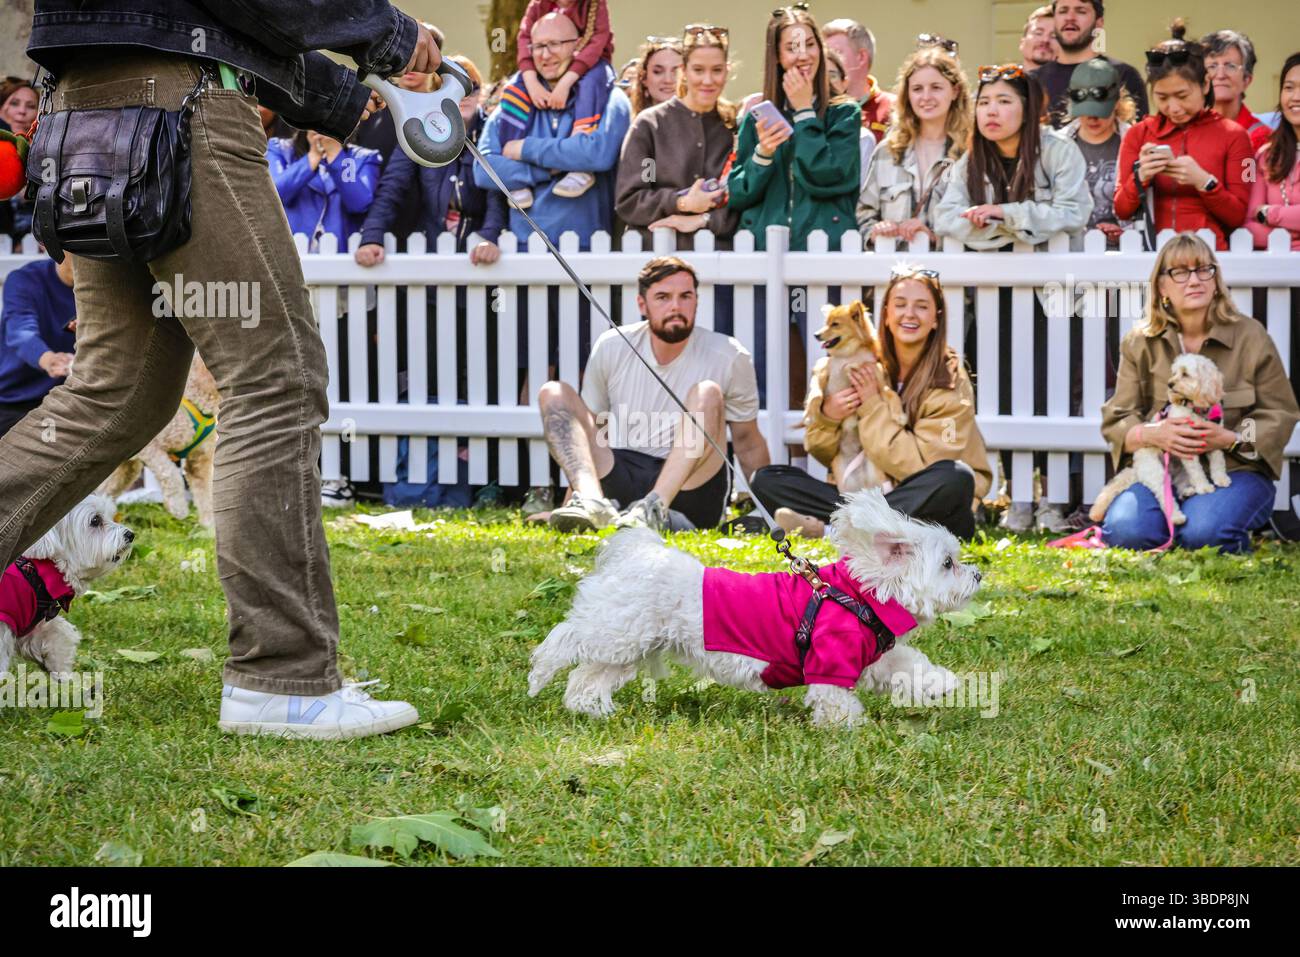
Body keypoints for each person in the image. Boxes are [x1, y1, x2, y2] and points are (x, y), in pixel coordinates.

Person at [8, 0, 444, 739]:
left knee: (115, 395)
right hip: (180, 108)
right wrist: (392, 32)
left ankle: (283, 673)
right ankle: (283, 677)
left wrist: (346, 96)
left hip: (86, 103)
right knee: (275, 378)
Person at [749, 265, 992, 540]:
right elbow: (823, 453)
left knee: (955, 477)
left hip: (925, 500)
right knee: (768, 480)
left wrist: (873, 405)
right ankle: (867, 527)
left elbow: (919, 469)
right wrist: (828, 417)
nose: (909, 314)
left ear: (936, 319)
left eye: (922, 307)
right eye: (900, 305)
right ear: (886, 315)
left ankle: (832, 530)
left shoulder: (949, 378)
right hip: (868, 495)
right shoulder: (863, 360)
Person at [534, 256, 769, 532]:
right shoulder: (612, 346)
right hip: (623, 475)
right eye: (663, 297)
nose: (675, 306)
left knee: (707, 392)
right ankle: (588, 504)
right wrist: (571, 498)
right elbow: (595, 430)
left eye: (685, 296)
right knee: (553, 392)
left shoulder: (729, 354)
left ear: (696, 301)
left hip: (692, 488)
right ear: (642, 304)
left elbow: (747, 440)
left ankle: (655, 507)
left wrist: (766, 509)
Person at [1098, 233, 1299, 553]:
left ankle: (1206, 521)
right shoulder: (1139, 341)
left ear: (1216, 280)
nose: (1194, 280)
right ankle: (1178, 521)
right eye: (1180, 272)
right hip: (1163, 471)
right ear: (1161, 287)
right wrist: (1152, 433)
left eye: (1204, 269)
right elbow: (1119, 415)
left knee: (1203, 533)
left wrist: (1231, 438)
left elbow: (1279, 411)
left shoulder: (1250, 336)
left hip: (1236, 470)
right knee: (1127, 532)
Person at [475, 11, 630, 250]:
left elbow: (597, 155)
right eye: (538, 46)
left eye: (555, 44)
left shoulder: (609, 98)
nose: (545, 55)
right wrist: (553, 166)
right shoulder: (514, 104)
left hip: (589, 249)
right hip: (522, 248)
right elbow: (483, 170)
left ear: (577, 45)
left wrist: (526, 148)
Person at [726, 5, 860, 251]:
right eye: (791, 48)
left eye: (810, 44)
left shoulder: (844, 113)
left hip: (825, 250)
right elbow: (738, 194)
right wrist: (763, 154)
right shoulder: (758, 116)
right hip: (763, 251)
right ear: (777, 56)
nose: (803, 55)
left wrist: (805, 113)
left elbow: (825, 175)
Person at [1114, 22, 1253, 252]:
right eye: (1162, 97)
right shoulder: (1138, 134)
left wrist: (1204, 182)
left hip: (1212, 256)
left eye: (1182, 95)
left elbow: (1239, 215)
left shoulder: (1237, 136)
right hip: (1154, 255)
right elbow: (1120, 208)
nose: (1174, 107)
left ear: (1205, 85)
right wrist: (1141, 176)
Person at [357, 56, 504, 266]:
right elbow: (392, 186)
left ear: (481, 92)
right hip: (431, 251)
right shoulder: (420, 131)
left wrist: (490, 235)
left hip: (479, 252)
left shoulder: (492, 131)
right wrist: (371, 236)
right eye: (448, 88)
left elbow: (495, 191)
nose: (463, 96)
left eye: (471, 87)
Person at [934, 65, 1092, 250]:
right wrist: (1009, 226)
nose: (991, 111)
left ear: (1027, 111)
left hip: (1049, 273)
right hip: (988, 274)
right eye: (983, 102)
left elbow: (1073, 214)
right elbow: (945, 217)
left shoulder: (1060, 150)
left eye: (1004, 101)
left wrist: (1005, 214)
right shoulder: (971, 160)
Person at [615, 25, 738, 250]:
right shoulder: (651, 126)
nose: (708, 80)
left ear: (727, 71)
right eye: (699, 70)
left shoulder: (734, 126)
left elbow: (746, 200)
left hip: (722, 263)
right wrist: (681, 203)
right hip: (658, 258)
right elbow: (635, 197)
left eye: (717, 70)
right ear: (684, 70)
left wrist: (705, 219)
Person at [857, 46, 971, 247]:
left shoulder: (970, 153)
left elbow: (978, 220)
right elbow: (864, 212)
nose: (925, 97)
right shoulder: (887, 152)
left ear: (955, 91)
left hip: (951, 273)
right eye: (917, 89)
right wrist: (875, 231)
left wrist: (935, 236)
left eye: (936, 87)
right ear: (907, 95)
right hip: (894, 272)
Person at [508, 0, 615, 202]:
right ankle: (512, 161)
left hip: (591, 65)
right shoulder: (537, 6)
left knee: (590, 84)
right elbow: (524, 39)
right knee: (515, 86)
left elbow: (597, 41)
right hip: (549, 67)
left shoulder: (594, 5)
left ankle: (580, 163)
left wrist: (566, 82)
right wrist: (531, 82)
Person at [1030, 1, 1146, 127]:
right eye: (1063, 11)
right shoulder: (1033, 81)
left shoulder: (1123, 75)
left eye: (1081, 11)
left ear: (1099, 23)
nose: (1070, 18)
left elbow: (1137, 136)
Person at [1062, 58, 1137, 246]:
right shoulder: (1058, 145)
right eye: (1086, 111)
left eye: (1099, 111)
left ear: (1117, 102)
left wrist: (1124, 231)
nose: (1093, 118)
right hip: (1071, 250)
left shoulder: (1134, 141)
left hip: (1125, 253)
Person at [0, 253, 75, 439]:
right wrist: (50, 360)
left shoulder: (105, 292)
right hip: (10, 399)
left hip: (63, 401)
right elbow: (20, 332)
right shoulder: (24, 280)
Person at [267, 130, 380, 250]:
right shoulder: (280, 149)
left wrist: (336, 156)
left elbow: (359, 204)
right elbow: (274, 195)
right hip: (293, 252)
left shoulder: (363, 157)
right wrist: (313, 157)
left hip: (342, 255)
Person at [1247, 52, 1300, 251]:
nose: (1296, 97)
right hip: (1277, 276)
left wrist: (1270, 214)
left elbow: (1259, 214)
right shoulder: (1262, 156)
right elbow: (1249, 223)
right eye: (1288, 88)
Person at [822, 17, 894, 144]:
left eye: (836, 53)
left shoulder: (895, 108)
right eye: (824, 56)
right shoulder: (818, 109)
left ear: (861, 57)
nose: (827, 62)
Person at [1201, 30, 1272, 152]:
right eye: (1212, 66)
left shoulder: (1262, 138)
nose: (1220, 75)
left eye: (1230, 66)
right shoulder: (1188, 129)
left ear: (1246, 80)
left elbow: (1248, 172)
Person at [627, 37, 683, 116]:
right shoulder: (627, 124)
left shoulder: (703, 124)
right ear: (644, 78)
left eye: (676, 72)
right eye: (658, 72)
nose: (668, 80)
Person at [1019, 5, 1059, 71]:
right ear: (1022, 42)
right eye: (1038, 33)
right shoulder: (1000, 79)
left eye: (1054, 36)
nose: (1045, 40)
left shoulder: (1075, 80)